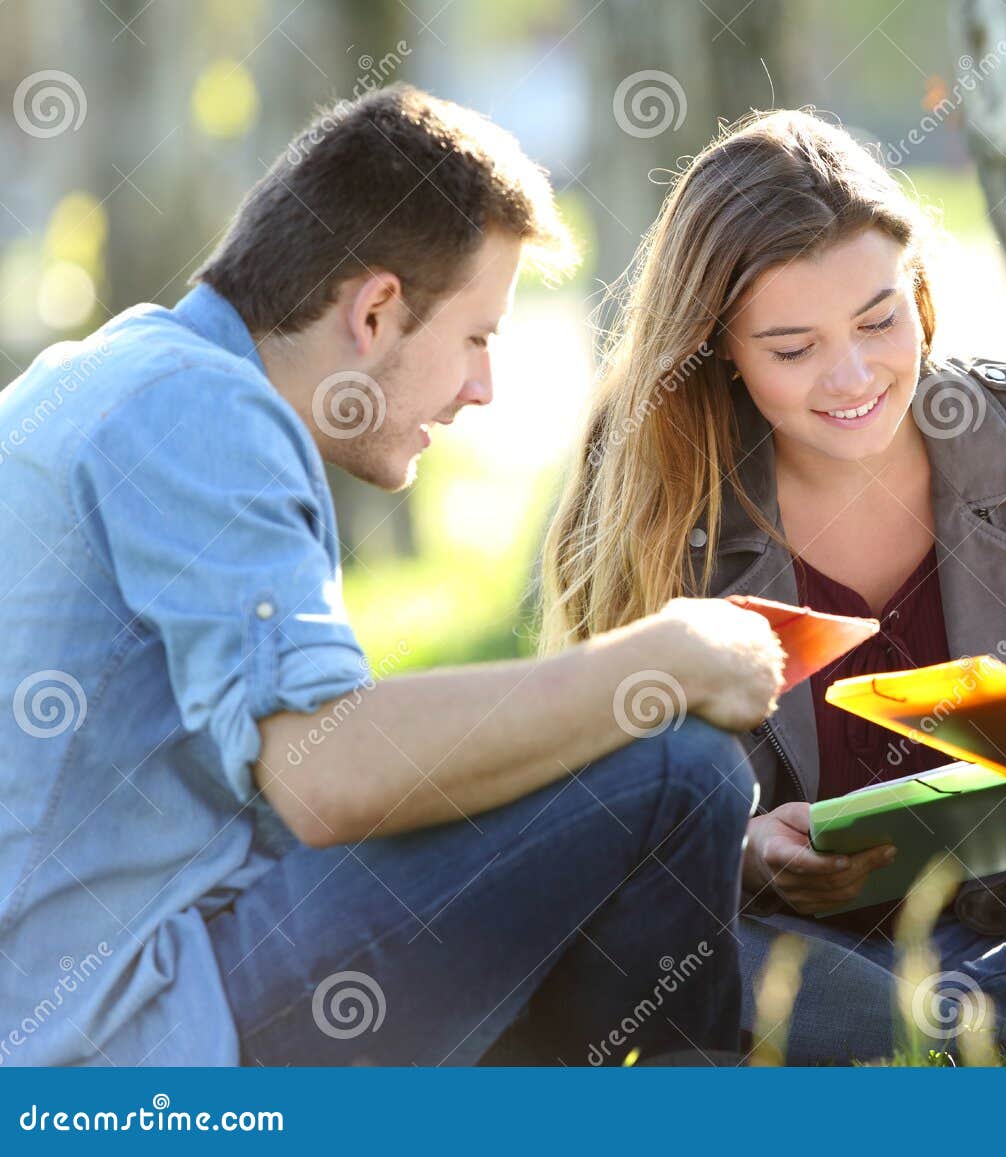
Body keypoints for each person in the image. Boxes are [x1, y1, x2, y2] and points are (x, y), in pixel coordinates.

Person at [0, 85, 786, 1067]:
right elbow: (330, 775)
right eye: (476, 336)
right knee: (683, 765)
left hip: (96, 1002)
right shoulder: (202, 413)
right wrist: (664, 657)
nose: (481, 386)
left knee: (641, 797)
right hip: (123, 1045)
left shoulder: (114, 377)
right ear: (375, 312)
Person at [540, 109, 1006, 1063]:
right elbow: (609, 816)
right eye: (792, 347)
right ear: (719, 348)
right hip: (800, 945)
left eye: (878, 319)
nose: (852, 374)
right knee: (639, 948)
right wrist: (748, 856)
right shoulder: (657, 495)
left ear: (921, 295)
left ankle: (941, 1032)